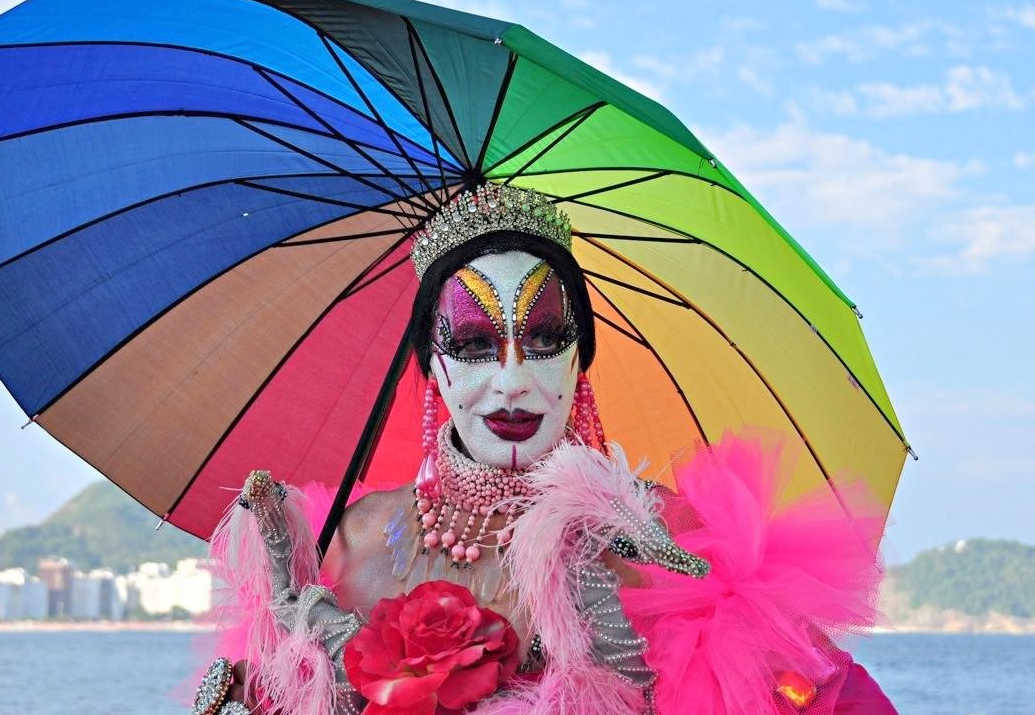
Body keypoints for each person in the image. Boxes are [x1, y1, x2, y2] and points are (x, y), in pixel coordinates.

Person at [188, 183, 896, 715]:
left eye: (547, 338)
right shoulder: (352, 536)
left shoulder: (662, 535)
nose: (512, 380)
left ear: (581, 357)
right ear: (431, 366)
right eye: (471, 344)